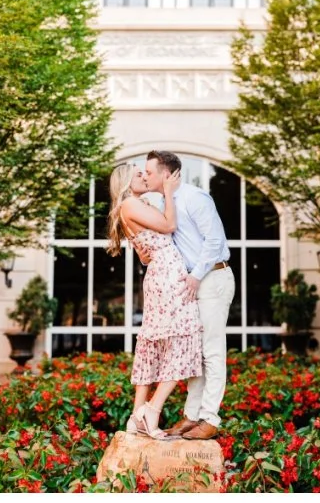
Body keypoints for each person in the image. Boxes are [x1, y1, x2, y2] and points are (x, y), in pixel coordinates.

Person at [143, 150, 233, 441]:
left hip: (212, 278)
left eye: (150, 172)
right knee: (194, 350)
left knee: (212, 352)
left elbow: (215, 240)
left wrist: (196, 275)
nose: (146, 176)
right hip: (192, 284)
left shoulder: (195, 198)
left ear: (166, 175)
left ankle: (209, 418)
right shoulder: (162, 202)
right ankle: (191, 416)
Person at [105, 163, 200, 440]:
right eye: (139, 175)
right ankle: (152, 410)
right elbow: (170, 225)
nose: (145, 177)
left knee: (155, 342)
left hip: (160, 272)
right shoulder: (130, 205)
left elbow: (145, 252)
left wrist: (145, 256)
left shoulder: (132, 206)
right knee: (183, 338)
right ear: (125, 182)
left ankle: (137, 416)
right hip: (169, 276)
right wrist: (169, 191)